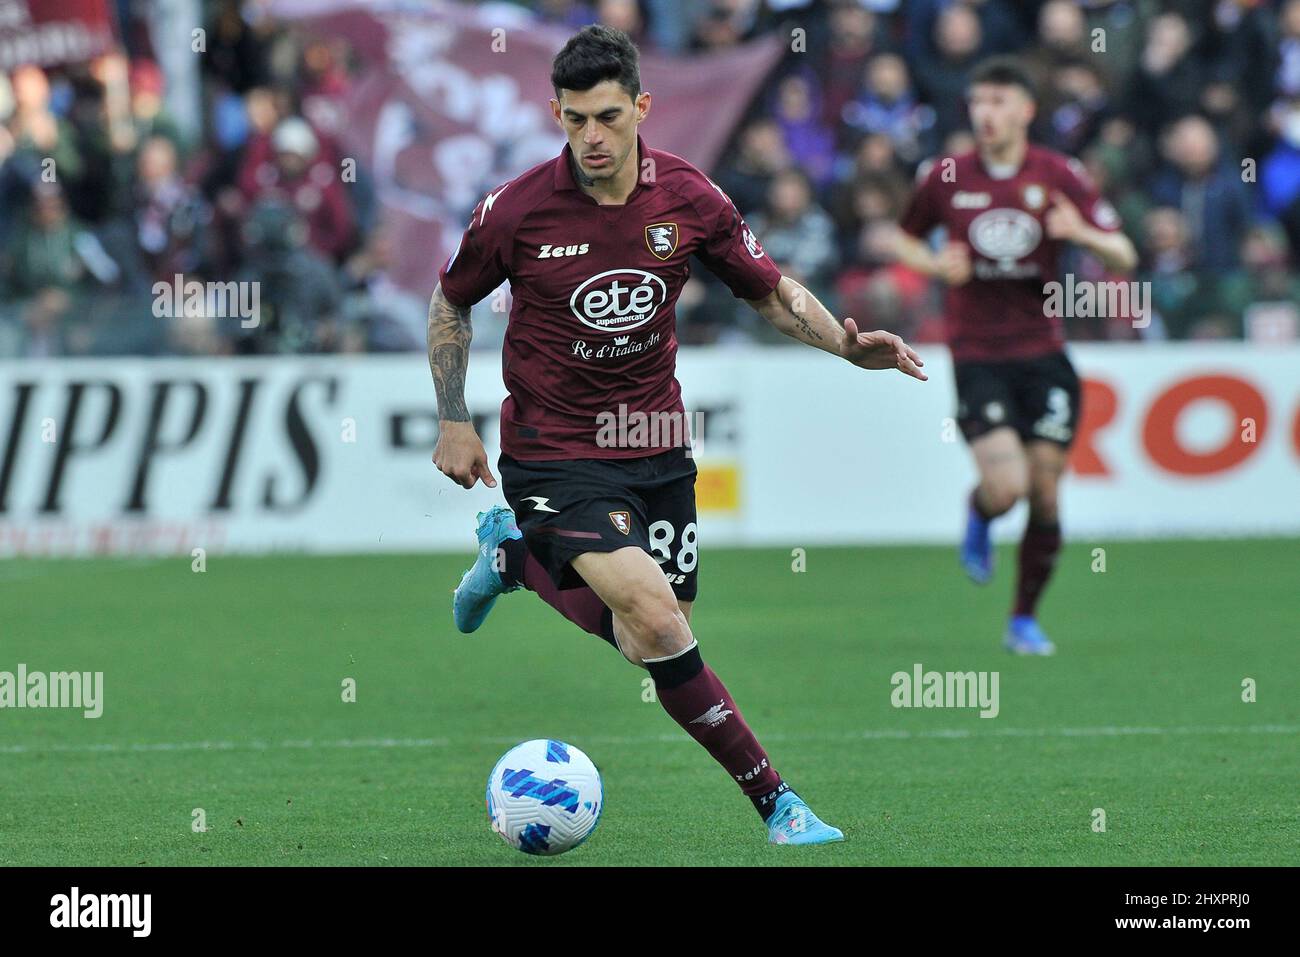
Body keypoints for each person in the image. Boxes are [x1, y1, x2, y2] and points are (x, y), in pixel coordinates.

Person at [428, 25, 926, 847]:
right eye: (575, 118)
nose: (592, 137)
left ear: (641, 109)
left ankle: (513, 558)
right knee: (659, 622)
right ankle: (778, 802)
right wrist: (453, 415)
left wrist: (845, 342)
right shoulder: (514, 210)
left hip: (656, 441)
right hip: (552, 449)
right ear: (556, 113)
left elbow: (766, 292)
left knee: (647, 635)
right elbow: (451, 302)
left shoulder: (692, 200)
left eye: (609, 117)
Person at [892, 57, 1138, 655]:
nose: (986, 114)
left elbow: (1125, 256)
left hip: (1045, 356)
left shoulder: (1059, 173)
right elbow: (900, 237)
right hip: (978, 355)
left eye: (999, 102)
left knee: (1047, 493)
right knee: (1008, 490)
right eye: (978, 102)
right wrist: (931, 263)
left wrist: (1081, 232)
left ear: (1026, 110)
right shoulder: (945, 174)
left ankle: (1023, 618)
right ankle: (980, 513)